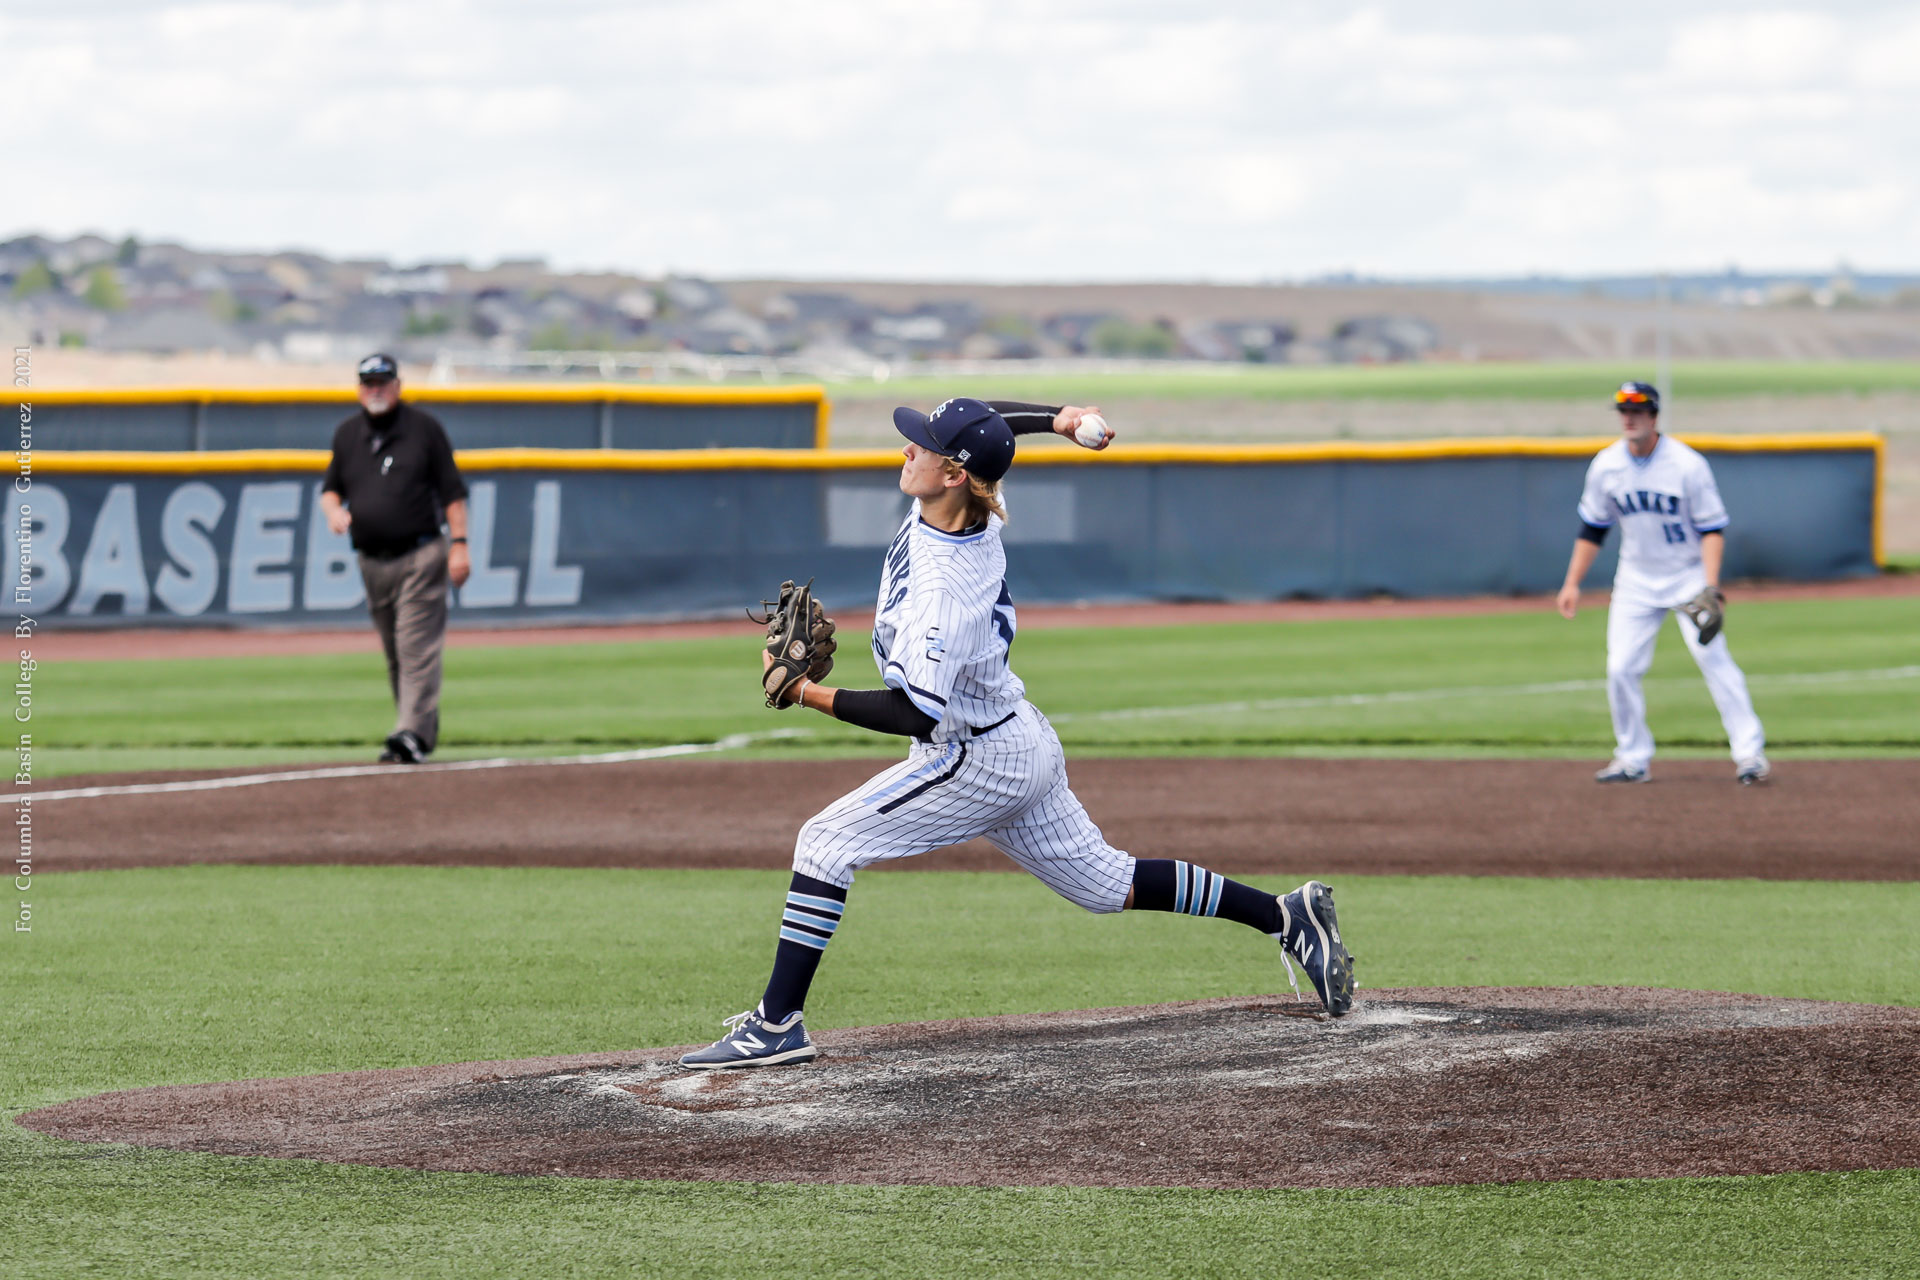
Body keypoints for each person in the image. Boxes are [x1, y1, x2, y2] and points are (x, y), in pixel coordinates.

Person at [680, 398, 1354, 1070]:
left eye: (921, 446)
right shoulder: (966, 501)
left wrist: (804, 692)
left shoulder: (946, 593)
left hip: (973, 758)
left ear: (953, 475)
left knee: (825, 842)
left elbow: (916, 714)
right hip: (1016, 736)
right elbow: (984, 427)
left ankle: (776, 1024)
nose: (905, 450)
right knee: (1105, 884)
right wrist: (1057, 418)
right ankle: (1285, 916)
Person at [1556, 381, 1768, 785]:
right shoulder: (1606, 465)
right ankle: (1632, 758)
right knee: (1620, 667)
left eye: (1637, 410)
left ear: (1654, 416)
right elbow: (1593, 529)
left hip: (1687, 574)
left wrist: (1710, 586)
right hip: (1635, 577)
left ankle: (1750, 755)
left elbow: (1712, 529)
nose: (1628, 417)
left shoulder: (1687, 464)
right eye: (1622, 410)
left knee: (1713, 659)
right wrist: (1572, 583)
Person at [319, 354, 472, 764]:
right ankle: (418, 730)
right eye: (368, 382)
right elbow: (330, 489)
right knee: (395, 652)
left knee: (414, 646)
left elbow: (453, 493)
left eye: (383, 382)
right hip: (372, 561)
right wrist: (334, 512)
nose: (376, 389)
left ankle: (410, 733)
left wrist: (460, 543)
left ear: (398, 386)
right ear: (358, 389)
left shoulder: (424, 430)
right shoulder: (348, 434)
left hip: (421, 553)